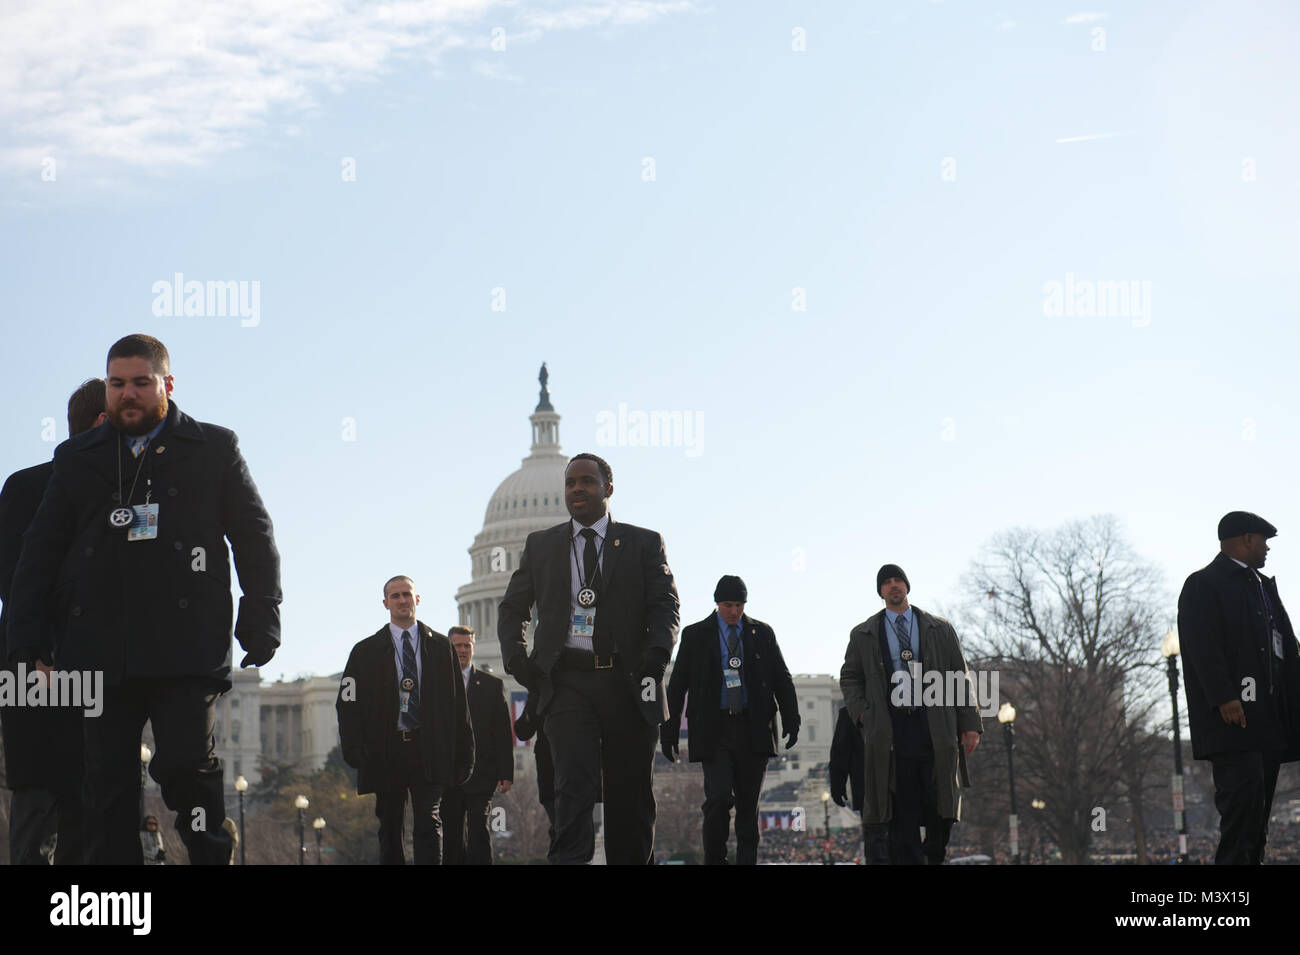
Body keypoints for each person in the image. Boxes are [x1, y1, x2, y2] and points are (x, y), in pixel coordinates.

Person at [6, 335, 282, 864]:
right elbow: (37, 556)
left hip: (184, 649)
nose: (127, 394)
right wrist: (26, 641)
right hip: (99, 652)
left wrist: (261, 613)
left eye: (139, 382)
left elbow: (253, 535)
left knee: (186, 772)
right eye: (116, 384)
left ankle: (209, 855)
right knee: (105, 790)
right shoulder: (76, 459)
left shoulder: (213, 448)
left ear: (166, 385)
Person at [498, 452, 680, 864]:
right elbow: (513, 608)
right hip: (567, 684)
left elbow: (665, 606)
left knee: (630, 796)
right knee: (572, 790)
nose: (577, 489)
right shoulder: (541, 545)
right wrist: (517, 658)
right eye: (570, 483)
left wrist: (656, 656)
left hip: (626, 680)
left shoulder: (643, 543)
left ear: (608, 489)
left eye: (586, 481)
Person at [0, 378, 105, 865]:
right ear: (103, 423)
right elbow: (13, 580)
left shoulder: (23, 485)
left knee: (55, 810)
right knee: (48, 806)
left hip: (41, 670)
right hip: (42, 670)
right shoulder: (30, 488)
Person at [1177, 511, 1300, 864]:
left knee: (1258, 823)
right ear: (1246, 539)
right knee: (1241, 818)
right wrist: (1224, 696)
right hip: (1234, 723)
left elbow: (1285, 648)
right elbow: (1203, 645)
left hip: (1270, 723)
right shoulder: (1204, 583)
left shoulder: (1263, 587)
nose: (1267, 549)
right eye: (1263, 541)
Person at [839, 564, 982, 865]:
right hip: (892, 729)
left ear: (907, 586)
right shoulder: (864, 633)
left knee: (940, 801)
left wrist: (969, 724)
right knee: (901, 804)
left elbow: (960, 676)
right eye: (887, 582)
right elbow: (850, 677)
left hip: (934, 724)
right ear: (880, 591)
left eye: (898, 580)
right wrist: (863, 713)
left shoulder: (939, 628)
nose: (894, 586)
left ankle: (934, 852)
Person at [660, 574, 800, 865]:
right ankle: (716, 859)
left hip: (753, 728)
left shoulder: (762, 633)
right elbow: (677, 686)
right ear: (717, 603)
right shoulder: (696, 634)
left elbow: (781, 678)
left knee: (749, 809)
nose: (734, 611)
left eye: (739, 605)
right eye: (727, 605)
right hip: (715, 729)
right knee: (719, 799)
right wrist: (669, 730)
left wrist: (791, 717)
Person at [336, 575, 473, 864]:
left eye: (406, 594)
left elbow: (459, 706)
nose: (401, 600)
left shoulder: (441, 648)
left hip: (429, 749)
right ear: (385, 603)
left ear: (417, 599)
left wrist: (464, 754)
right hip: (386, 750)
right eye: (395, 596)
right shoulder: (364, 652)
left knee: (429, 822)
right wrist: (354, 748)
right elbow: (347, 703)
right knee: (389, 825)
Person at [442, 625, 513, 865]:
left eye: (466, 646)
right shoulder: (435, 685)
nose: (462, 650)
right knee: (451, 835)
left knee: (478, 831)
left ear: (473, 648)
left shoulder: (492, 686)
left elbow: (503, 733)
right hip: (447, 773)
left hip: (482, 773)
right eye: (457, 646)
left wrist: (506, 772)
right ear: (448, 648)